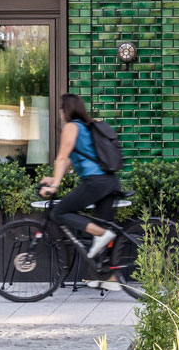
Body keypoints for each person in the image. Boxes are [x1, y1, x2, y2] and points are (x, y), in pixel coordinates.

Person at [40, 93, 124, 259]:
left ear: (66, 109)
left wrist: (54, 186)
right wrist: (53, 179)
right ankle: (110, 279)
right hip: (110, 182)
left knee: (58, 213)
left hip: (96, 182)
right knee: (100, 239)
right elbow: (69, 159)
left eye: (60, 108)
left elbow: (62, 157)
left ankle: (103, 234)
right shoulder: (87, 126)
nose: (59, 112)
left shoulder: (71, 127)